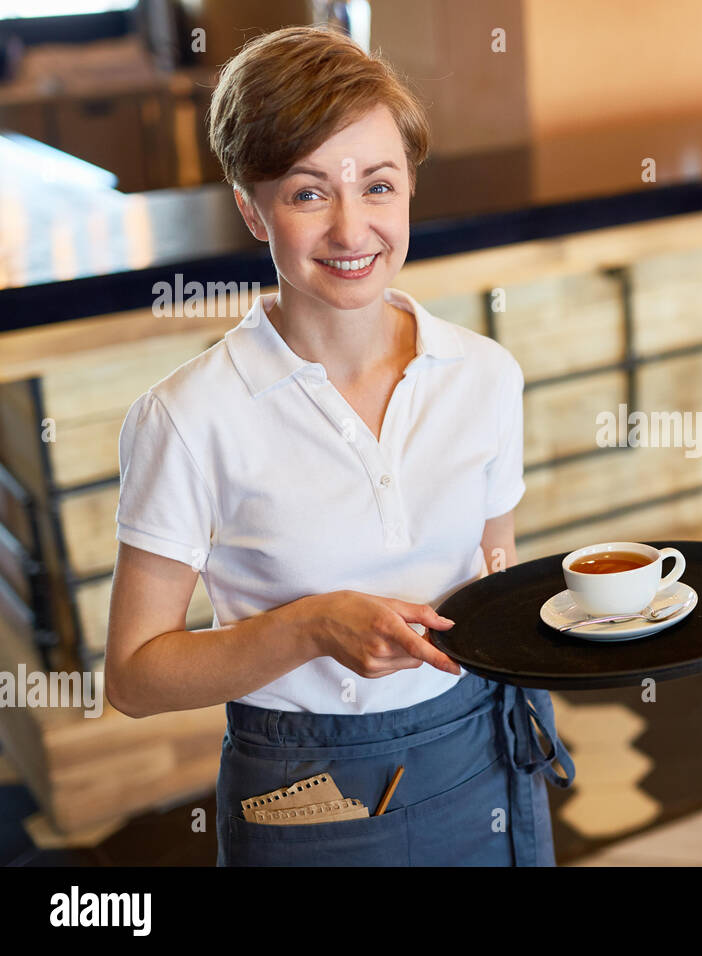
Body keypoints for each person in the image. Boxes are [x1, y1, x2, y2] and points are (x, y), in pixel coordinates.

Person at [104, 25, 573, 866]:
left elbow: (494, 575)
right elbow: (135, 678)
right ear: (253, 207)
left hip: (484, 752)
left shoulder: (485, 375)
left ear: (409, 190)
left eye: (379, 186)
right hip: (310, 790)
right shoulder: (187, 418)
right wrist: (312, 629)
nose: (353, 229)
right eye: (309, 193)